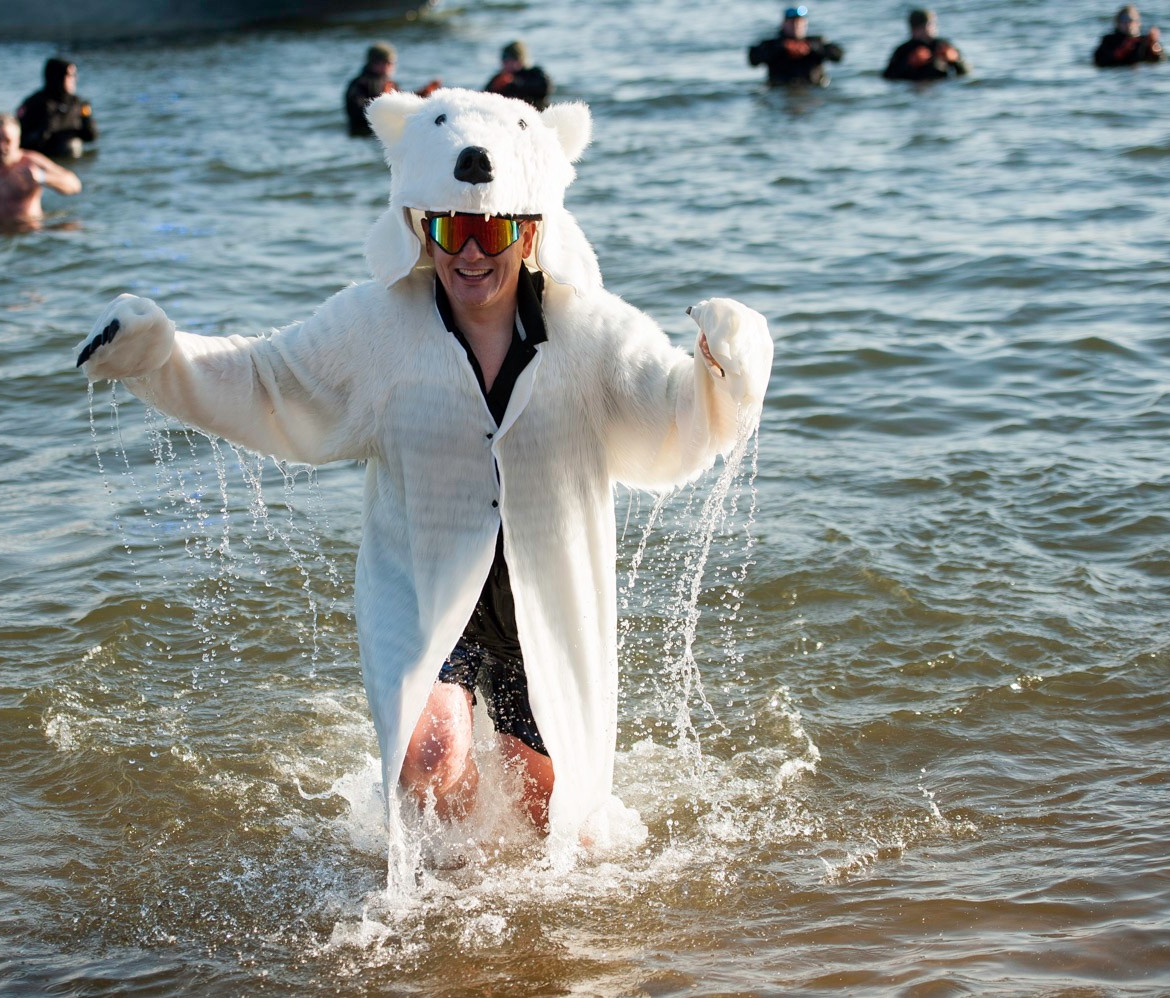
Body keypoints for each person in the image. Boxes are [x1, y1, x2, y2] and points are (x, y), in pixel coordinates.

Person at [76, 88, 772, 849]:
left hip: (546, 589)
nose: (468, 251)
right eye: (447, 227)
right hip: (422, 578)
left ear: (530, 228)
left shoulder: (592, 334)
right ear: (418, 223)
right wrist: (161, 355)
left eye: (491, 228)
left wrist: (724, 371)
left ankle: (512, 928)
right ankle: (449, 891)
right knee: (431, 768)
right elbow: (264, 381)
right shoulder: (375, 326)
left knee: (549, 815)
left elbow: (674, 412)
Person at [344, 42, 440, 138]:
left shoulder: (388, 82)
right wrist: (383, 102)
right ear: (376, 63)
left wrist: (422, 94)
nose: (393, 66)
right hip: (363, 135)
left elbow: (401, 104)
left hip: (384, 134)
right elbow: (357, 112)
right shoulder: (359, 84)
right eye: (390, 63)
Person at [16, 58, 98, 159]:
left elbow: (91, 136)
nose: (74, 79)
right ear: (57, 77)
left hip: (72, 157)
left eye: (75, 75)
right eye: (70, 75)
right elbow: (20, 140)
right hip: (43, 157)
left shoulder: (79, 103)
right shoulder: (34, 104)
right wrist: (45, 130)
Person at [748, 6, 844, 87]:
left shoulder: (817, 42)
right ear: (784, 24)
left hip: (813, 89)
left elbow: (838, 55)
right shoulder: (773, 44)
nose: (796, 26)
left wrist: (811, 47)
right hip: (781, 89)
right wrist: (783, 47)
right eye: (792, 22)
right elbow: (753, 59)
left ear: (805, 24)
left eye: (799, 22)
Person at [882, 9, 969, 80]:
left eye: (933, 25)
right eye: (926, 26)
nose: (931, 29)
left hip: (942, 87)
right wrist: (909, 64)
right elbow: (888, 76)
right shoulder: (904, 49)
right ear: (914, 29)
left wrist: (955, 60)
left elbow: (966, 73)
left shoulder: (943, 45)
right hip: (914, 86)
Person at [484, 40, 552, 110]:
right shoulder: (500, 78)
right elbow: (484, 96)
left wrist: (514, 83)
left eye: (508, 58)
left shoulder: (533, 73)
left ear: (519, 59)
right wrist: (496, 86)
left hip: (537, 112)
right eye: (503, 59)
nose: (504, 63)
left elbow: (546, 87)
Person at [1094, 5, 1166, 66]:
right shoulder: (1109, 40)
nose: (1128, 23)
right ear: (1118, 23)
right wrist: (1121, 52)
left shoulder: (1144, 41)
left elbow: (1160, 60)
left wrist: (1154, 46)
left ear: (1138, 23)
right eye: (1124, 19)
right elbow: (1099, 61)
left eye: (1132, 20)